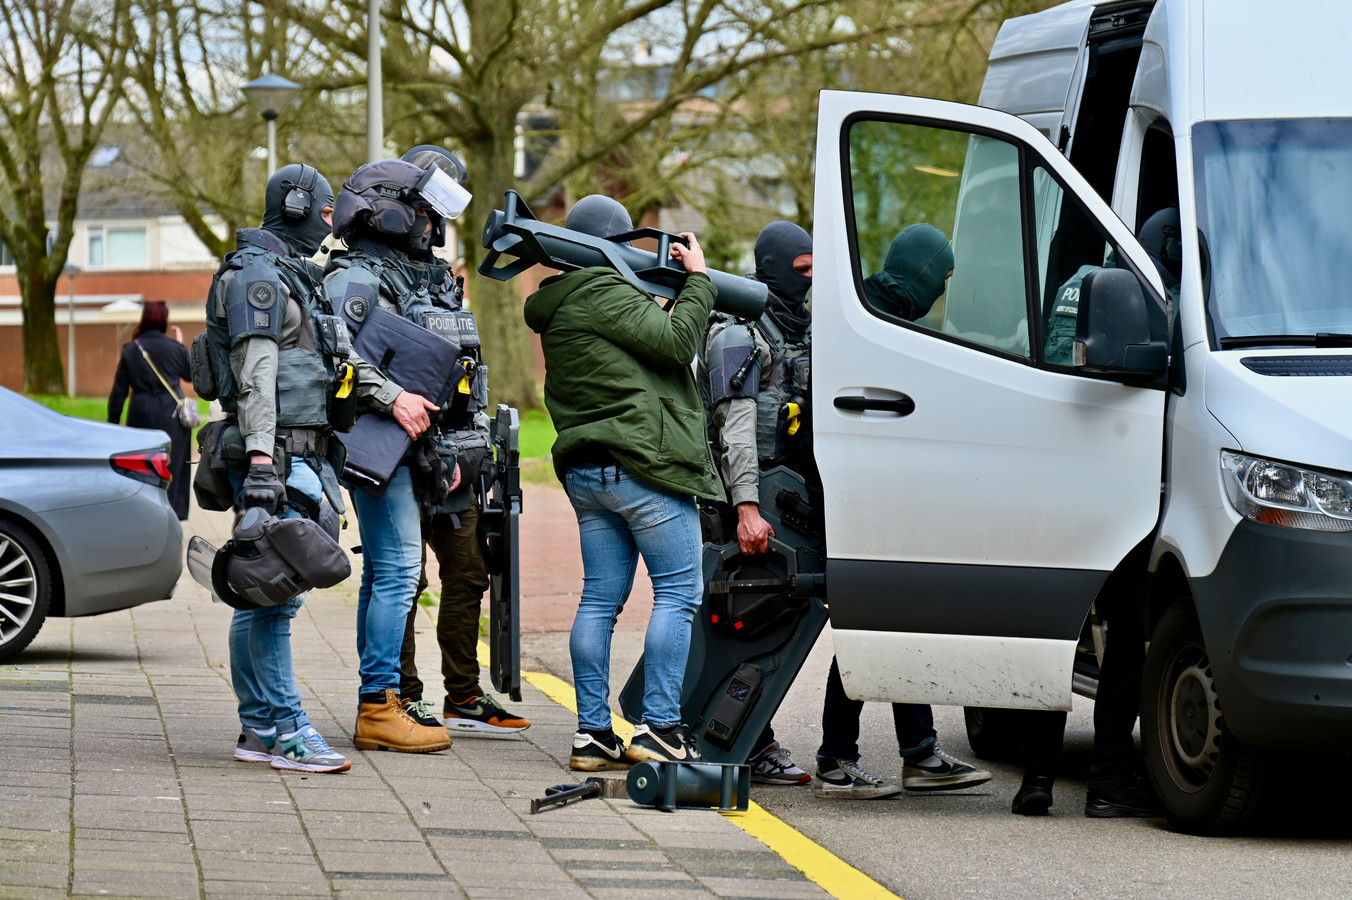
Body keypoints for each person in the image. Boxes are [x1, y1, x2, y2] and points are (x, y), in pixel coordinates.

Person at [707, 221, 990, 798]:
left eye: (816, 270)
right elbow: (735, 430)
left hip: (805, 498)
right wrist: (745, 507)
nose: (809, 283)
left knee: (880, 609)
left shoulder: (812, 328)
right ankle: (788, 749)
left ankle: (908, 751)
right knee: (774, 628)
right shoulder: (740, 334)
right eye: (802, 271)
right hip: (764, 506)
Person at [203, 162, 389, 774]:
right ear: (298, 205)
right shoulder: (260, 277)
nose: (333, 221)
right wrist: (262, 465)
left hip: (297, 450)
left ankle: (257, 727)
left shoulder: (290, 276)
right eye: (327, 209)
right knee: (277, 598)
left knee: (259, 594)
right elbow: (256, 376)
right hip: (277, 453)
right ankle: (288, 730)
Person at [523, 194, 720, 770]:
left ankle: (592, 734)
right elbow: (679, 343)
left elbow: (635, 352)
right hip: (644, 467)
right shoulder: (603, 291)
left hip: (588, 472)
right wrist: (700, 282)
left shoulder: (559, 303)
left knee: (600, 599)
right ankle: (659, 729)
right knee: (679, 593)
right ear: (610, 245)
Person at [1010, 210, 1181, 818]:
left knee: (1053, 634)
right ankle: (1109, 779)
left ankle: (1035, 779)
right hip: (1121, 491)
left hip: (1054, 482)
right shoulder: (1164, 300)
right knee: (1128, 640)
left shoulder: (1075, 286)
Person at [325, 158, 470, 754]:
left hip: (408, 449)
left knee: (388, 574)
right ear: (388, 210)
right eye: (421, 210)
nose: (428, 224)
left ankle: (378, 699)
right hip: (376, 447)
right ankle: (379, 705)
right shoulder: (354, 278)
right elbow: (336, 356)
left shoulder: (403, 273)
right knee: (401, 572)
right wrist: (392, 399)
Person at [392, 145, 530, 736]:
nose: (434, 222)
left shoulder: (446, 278)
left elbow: (469, 366)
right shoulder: (377, 271)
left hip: (458, 459)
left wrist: (480, 449)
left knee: (470, 573)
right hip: (400, 454)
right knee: (401, 581)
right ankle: (401, 695)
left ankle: (463, 695)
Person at [108, 301, 192, 519]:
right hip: (172, 416)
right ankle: (173, 515)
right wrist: (182, 346)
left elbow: (118, 394)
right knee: (173, 470)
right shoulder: (176, 349)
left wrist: (112, 425)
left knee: (141, 469)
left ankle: (143, 517)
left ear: (144, 320)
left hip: (140, 414)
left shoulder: (130, 350)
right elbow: (191, 376)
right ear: (164, 321)